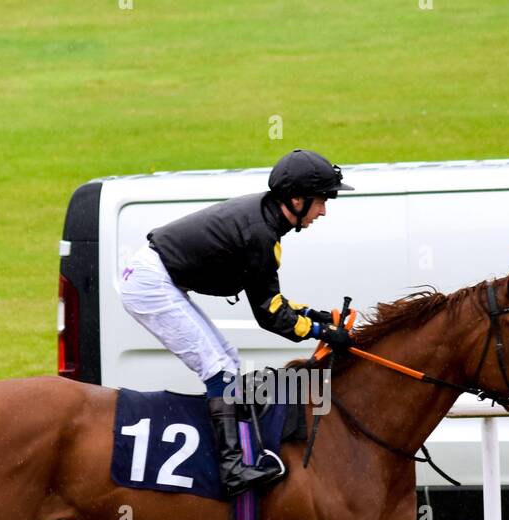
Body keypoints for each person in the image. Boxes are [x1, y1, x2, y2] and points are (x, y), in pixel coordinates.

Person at [118, 149, 355, 496]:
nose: (323, 211)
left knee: (227, 359)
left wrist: (313, 315)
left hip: (157, 276)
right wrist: (324, 332)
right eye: (321, 201)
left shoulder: (267, 219)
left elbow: (272, 301)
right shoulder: (262, 235)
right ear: (297, 198)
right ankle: (231, 470)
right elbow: (271, 317)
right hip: (151, 284)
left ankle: (237, 446)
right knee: (218, 367)